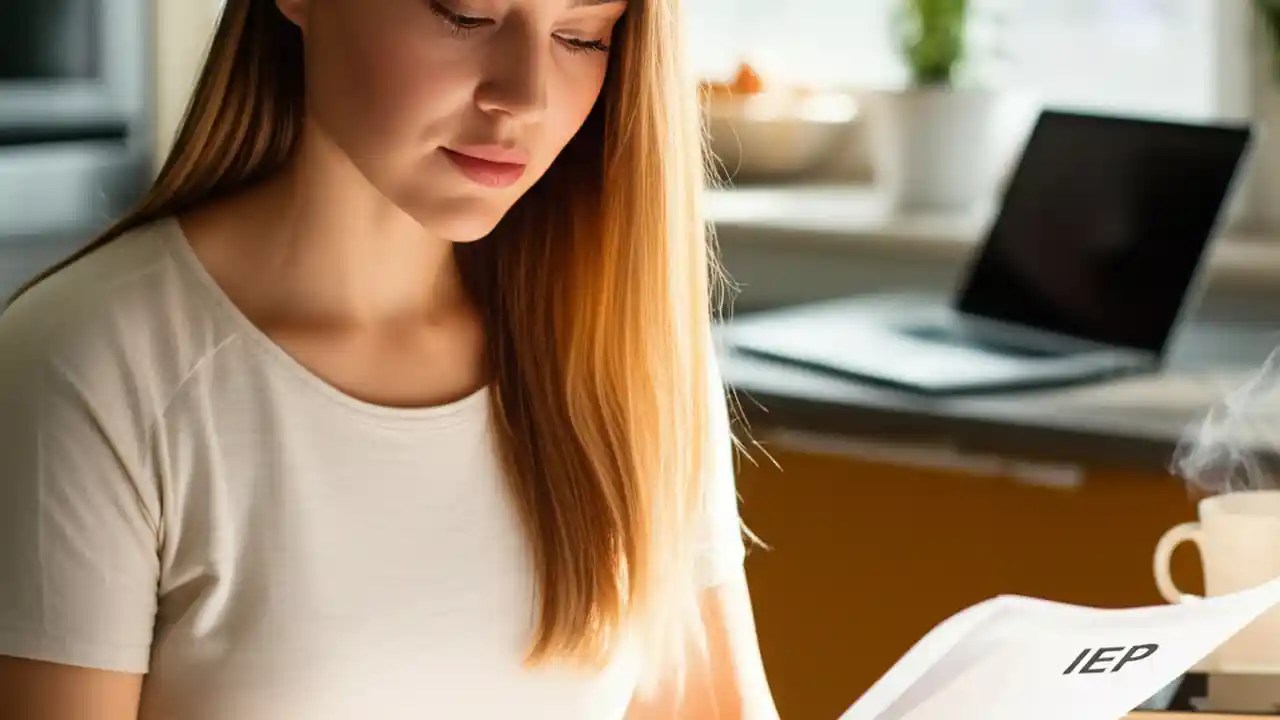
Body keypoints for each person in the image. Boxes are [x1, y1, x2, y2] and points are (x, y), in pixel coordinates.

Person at [0, 0, 779, 717]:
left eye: (581, 35)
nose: (527, 95)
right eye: (466, 13)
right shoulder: (87, 365)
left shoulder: (623, 353)